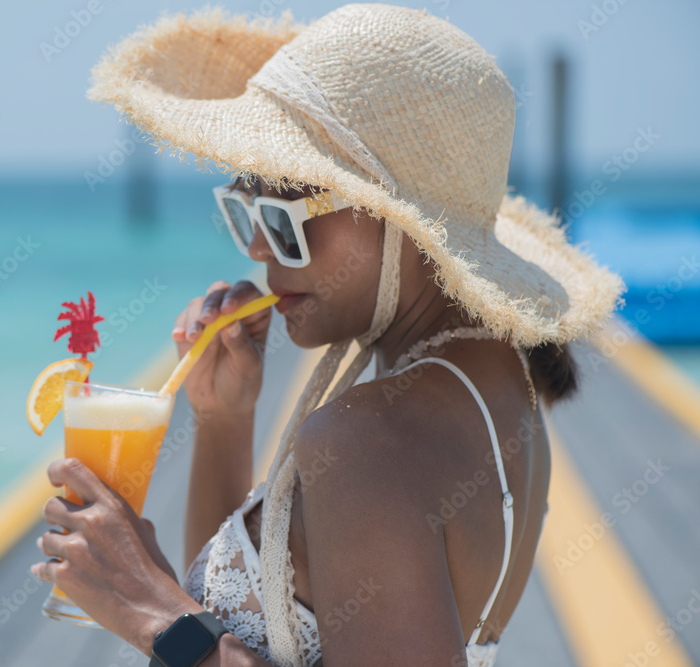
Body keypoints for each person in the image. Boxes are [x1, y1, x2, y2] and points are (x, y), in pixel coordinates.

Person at [31, 5, 626, 666]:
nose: (258, 245)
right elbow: (261, 619)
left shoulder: (370, 440)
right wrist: (226, 421)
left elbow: (209, 627)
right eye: (244, 207)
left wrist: (153, 610)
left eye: (285, 213)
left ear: (401, 218)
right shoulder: (498, 381)